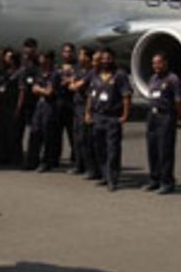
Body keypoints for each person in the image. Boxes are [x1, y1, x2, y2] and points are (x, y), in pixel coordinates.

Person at [84, 47, 132, 191]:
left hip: (112, 117)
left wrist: (125, 114)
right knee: (100, 148)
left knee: (113, 149)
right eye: (103, 59)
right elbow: (90, 96)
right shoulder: (95, 75)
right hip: (98, 116)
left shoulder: (120, 75)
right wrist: (87, 113)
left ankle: (113, 178)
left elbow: (126, 96)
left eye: (108, 59)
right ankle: (105, 175)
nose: (105, 61)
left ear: (113, 59)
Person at [145, 52, 181, 194]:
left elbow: (178, 101)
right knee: (152, 149)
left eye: (158, 63)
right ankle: (154, 180)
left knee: (165, 150)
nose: (156, 66)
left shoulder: (172, 79)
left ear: (165, 63)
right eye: (154, 63)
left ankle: (167, 182)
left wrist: (177, 117)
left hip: (166, 116)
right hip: (152, 116)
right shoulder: (153, 78)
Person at [24, 51, 59, 172]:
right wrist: (41, 89)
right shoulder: (39, 72)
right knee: (35, 131)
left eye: (43, 59)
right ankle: (32, 161)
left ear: (49, 60)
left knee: (47, 134)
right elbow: (34, 88)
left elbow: (49, 92)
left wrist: (40, 89)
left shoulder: (55, 74)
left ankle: (46, 162)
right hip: (39, 105)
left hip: (50, 106)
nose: (41, 62)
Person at [68, 46, 98, 178]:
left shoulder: (91, 73)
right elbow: (71, 86)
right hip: (76, 106)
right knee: (77, 139)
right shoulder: (80, 70)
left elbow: (76, 85)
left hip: (84, 106)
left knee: (85, 139)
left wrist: (74, 84)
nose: (79, 57)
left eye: (81, 55)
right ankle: (79, 165)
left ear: (87, 58)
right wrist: (74, 84)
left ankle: (91, 169)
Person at [0, 48, 23, 167]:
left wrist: (18, 108)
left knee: (13, 134)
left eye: (10, 57)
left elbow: (21, 91)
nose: (8, 59)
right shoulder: (2, 72)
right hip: (2, 106)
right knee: (1, 133)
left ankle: (16, 158)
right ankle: (2, 157)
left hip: (12, 106)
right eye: (6, 57)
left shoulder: (20, 72)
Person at [52, 42, 78, 169]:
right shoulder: (57, 67)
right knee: (56, 133)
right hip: (59, 103)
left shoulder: (77, 68)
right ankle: (55, 158)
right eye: (65, 51)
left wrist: (70, 81)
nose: (67, 54)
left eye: (69, 51)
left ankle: (76, 160)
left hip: (72, 103)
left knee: (73, 133)